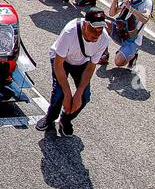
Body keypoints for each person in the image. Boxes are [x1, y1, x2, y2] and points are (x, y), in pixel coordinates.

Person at [37, 8, 110, 136]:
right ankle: (50, 118)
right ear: (85, 24)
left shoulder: (104, 39)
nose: (96, 35)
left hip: (82, 62)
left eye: (100, 30)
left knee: (84, 97)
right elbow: (58, 65)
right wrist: (67, 93)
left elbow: (91, 67)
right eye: (93, 30)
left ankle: (66, 119)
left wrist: (78, 93)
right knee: (59, 93)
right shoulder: (70, 32)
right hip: (61, 60)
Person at [101, 0, 153, 72]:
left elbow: (145, 19)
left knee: (118, 62)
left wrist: (130, 7)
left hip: (133, 39)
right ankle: (104, 54)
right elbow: (112, 13)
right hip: (121, 31)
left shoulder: (147, 2)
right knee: (102, 23)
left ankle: (133, 55)